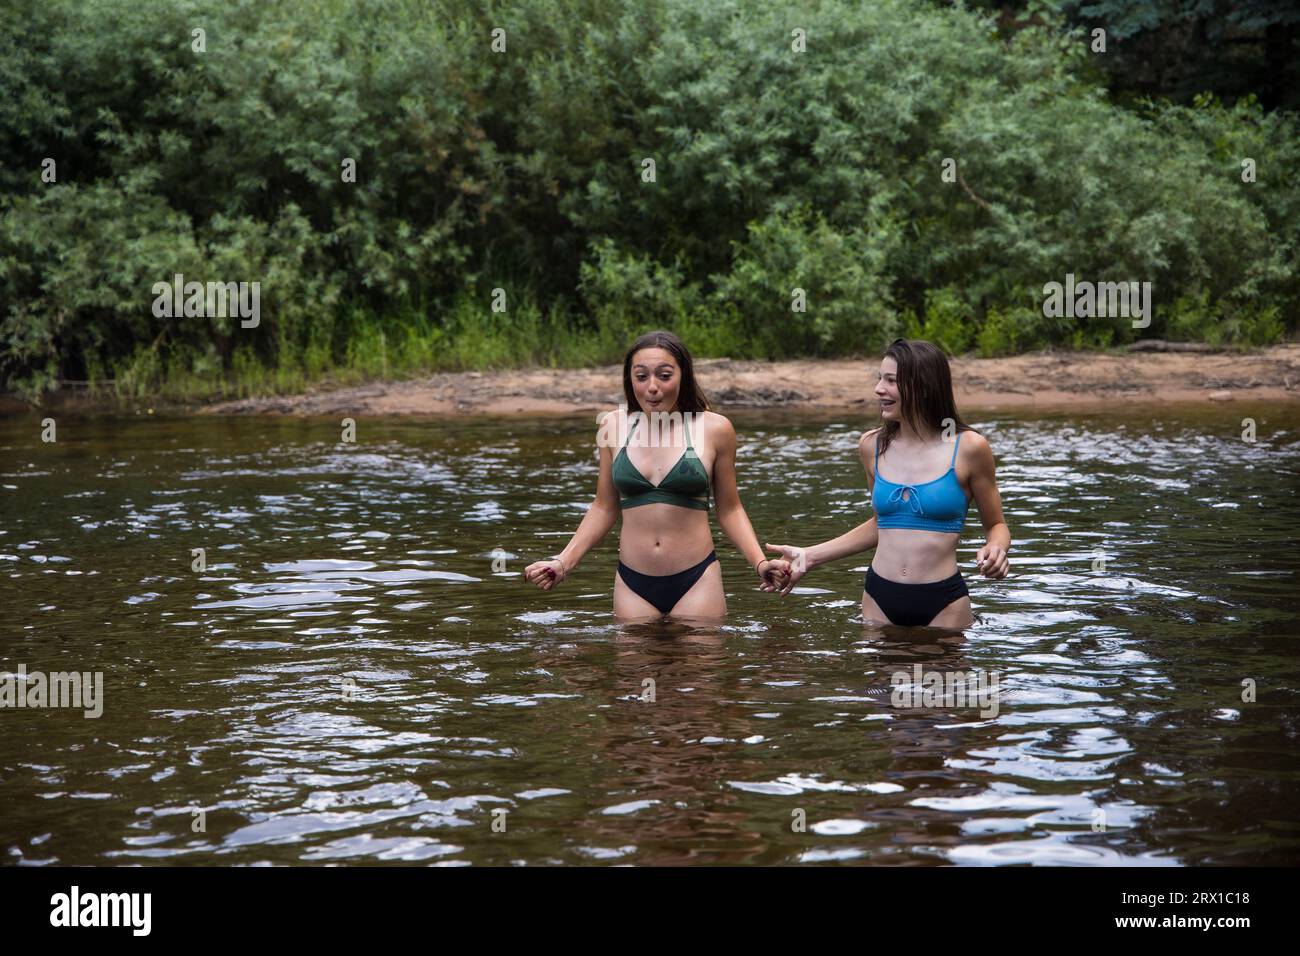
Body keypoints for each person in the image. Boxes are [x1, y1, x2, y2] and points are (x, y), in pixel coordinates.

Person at [523, 330, 790, 619]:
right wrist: (564, 561)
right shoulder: (612, 426)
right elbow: (603, 507)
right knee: (636, 666)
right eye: (641, 376)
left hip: (698, 579)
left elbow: (730, 509)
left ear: (683, 376)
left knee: (702, 665)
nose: (652, 387)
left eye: (664, 376)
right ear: (630, 379)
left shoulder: (715, 429)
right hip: (632, 582)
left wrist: (760, 563)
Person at [766, 338, 1009, 628]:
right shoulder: (872, 445)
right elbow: (882, 524)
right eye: (880, 378)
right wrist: (809, 556)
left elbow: (997, 525)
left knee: (945, 675)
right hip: (879, 598)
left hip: (944, 602)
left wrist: (996, 548)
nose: (878, 389)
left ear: (923, 386)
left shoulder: (970, 447)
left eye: (891, 380)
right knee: (881, 673)